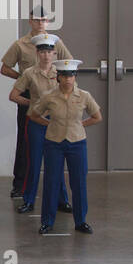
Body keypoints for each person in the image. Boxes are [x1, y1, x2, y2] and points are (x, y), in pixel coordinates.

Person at [1, 7, 72, 199]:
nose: (40, 23)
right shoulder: (20, 44)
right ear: (30, 21)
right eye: (36, 20)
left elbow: (69, 65)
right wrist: (24, 79)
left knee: (56, 143)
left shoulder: (56, 43)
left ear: (48, 22)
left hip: (54, 96)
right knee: (26, 144)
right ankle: (20, 185)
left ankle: (57, 192)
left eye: (44, 20)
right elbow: (5, 68)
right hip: (29, 95)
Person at [30, 59, 102, 235]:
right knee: (51, 182)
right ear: (58, 78)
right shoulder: (49, 96)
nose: (68, 79)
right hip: (54, 142)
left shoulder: (84, 95)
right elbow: (34, 114)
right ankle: (47, 222)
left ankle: (81, 221)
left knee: (78, 182)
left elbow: (96, 116)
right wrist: (49, 124)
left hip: (77, 143)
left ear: (75, 77)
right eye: (64, 75)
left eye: (71, 75)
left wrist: (80, 125)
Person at [10, 33, 70, 216]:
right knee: (33, 162)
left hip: (55, 123)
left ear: (55, 54)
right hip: (36, 122)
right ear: (37, 53)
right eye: (43, 52)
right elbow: (13, 95)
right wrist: (33, 105)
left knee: (57, 163)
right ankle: (28, 200)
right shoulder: (29, 73)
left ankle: (62, 200)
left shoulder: (61, 73)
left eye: (50, 52)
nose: (46, 55)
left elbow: (70, 94)